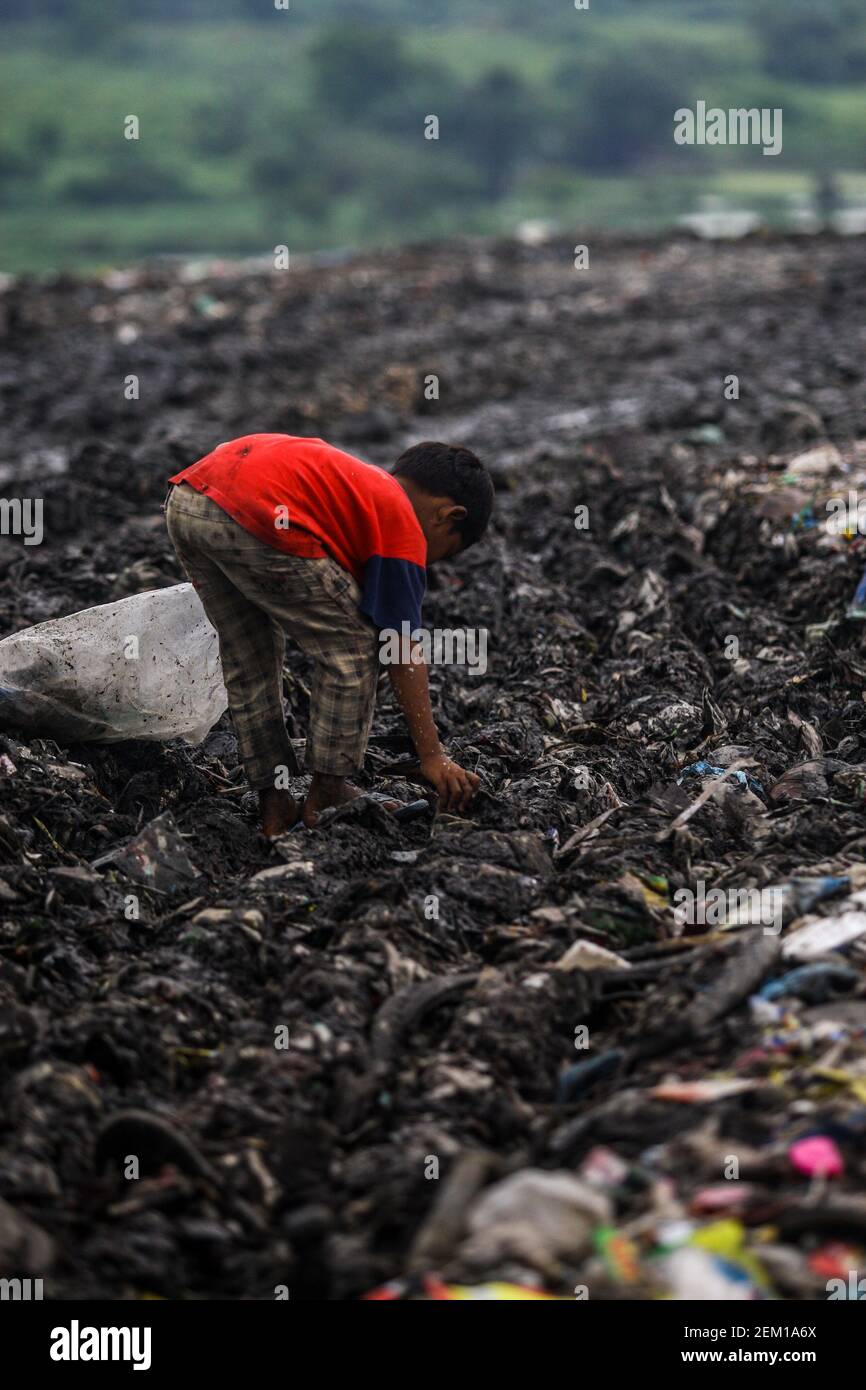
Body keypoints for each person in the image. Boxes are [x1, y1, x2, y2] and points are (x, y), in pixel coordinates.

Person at [165, 434, 494, 834]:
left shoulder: (360, 487)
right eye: (445, 551)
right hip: (255, 511)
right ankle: (329, 790)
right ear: (448, 515)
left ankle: (275, 799)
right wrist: (431, 756)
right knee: (356, 645)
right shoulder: (403, 523)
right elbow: (400, 650)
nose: (431, 561)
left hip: (189, 500)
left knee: (249, 656)